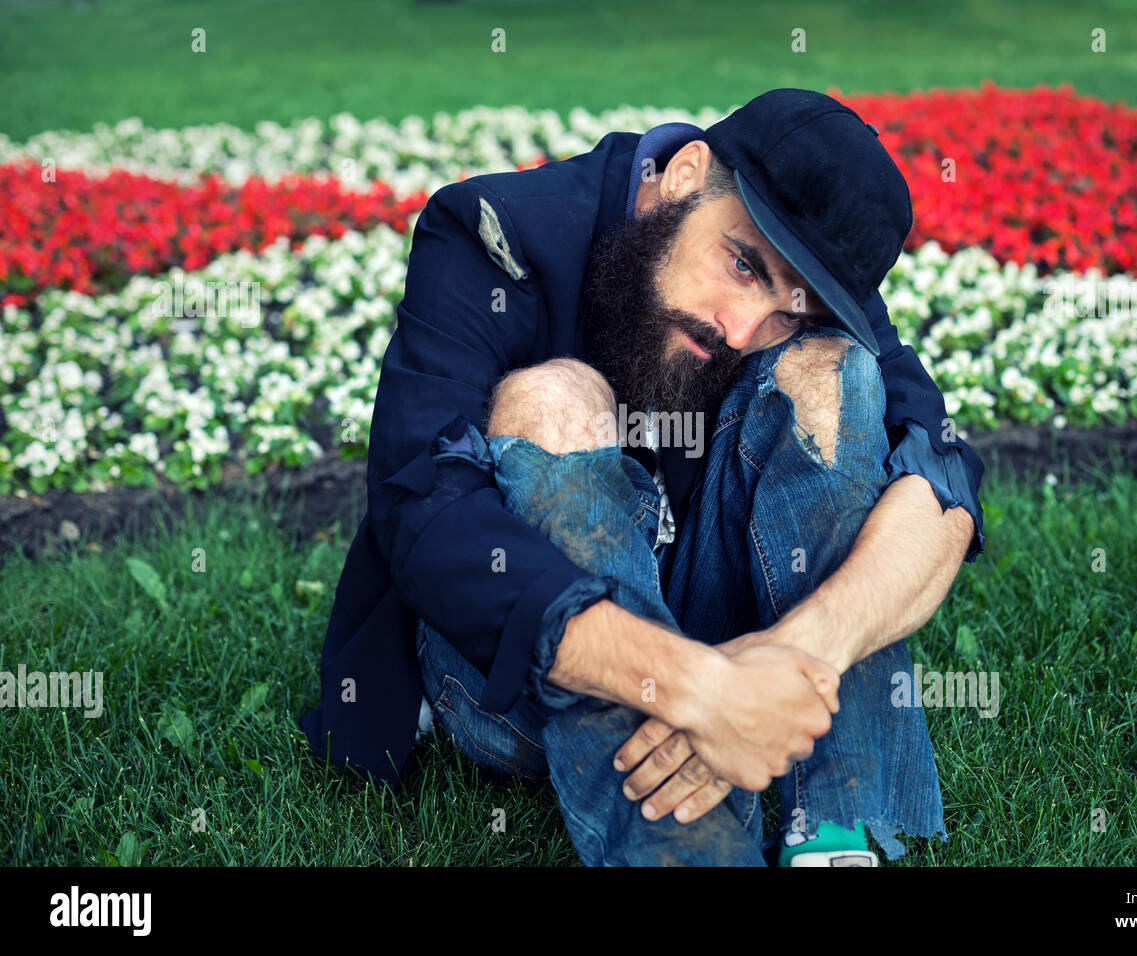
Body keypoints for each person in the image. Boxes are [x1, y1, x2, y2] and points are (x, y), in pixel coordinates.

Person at [300, 88, 986, 866]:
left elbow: (943, 474)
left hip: (735, 656)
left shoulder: (807, 286)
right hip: (518, 676)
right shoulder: (494, 230)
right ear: (687, 173)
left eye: (785, 305)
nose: (739, 328)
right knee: (553, 396)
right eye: (740, 263)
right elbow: (422, 513)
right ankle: (690, 851)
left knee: (839, 376)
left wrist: (795, 657)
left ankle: (833, 836)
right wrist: (694, 688)